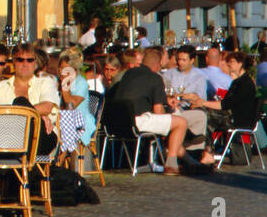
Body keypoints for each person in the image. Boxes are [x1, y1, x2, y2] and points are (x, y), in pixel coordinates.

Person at [103, 47, 190, 175]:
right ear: (156, 64)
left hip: (117, 123)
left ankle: (188, 160)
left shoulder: (128, 74)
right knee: (181, 122)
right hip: (137, 122)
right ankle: (171, 164)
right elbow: (158, 111)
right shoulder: (155, 78)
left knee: (170, 124)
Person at [0, 43, 60, 156]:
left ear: (35, 63)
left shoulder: (46, 82)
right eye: (20, 60)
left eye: (29, 60)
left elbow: (47, 107)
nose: (25, 64)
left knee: (20, 102)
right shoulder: (0, 87)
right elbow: (2, 117)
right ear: (13, 62)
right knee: (21, 101)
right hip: (11, 138)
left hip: (41, 138)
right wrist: (38, 116)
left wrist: (21, 113)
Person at [57, 47, 96, 149]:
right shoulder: (58, 82)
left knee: (64, 132)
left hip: (79, 121)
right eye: (61, 68)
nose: (62, 72)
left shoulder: (81, 83)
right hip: (61, 119)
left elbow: (71, 104)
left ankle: (57, 162)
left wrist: (64, 85)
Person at [222, 52, 265, 144]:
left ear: (240, 63)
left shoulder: (244, 83)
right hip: (237, 117)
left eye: (232, 61)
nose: (229, 64)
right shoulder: (239, 81)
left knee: (206, 119)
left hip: (239, 120)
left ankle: (208, 150)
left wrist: (203, 103)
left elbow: (226, 104)